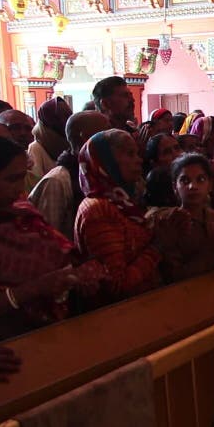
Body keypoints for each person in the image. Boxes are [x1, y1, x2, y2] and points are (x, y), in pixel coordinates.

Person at [0, 137, 105, 340]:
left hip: (50, 334)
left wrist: (78, 278)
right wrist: (33, 289)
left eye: (22, 177)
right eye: (11, 179)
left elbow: (63, 259)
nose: (19, 188)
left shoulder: (24, 214)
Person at [74, 130, 174, 303]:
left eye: (137, 153)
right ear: (106, 162)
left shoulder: (124, 202)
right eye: (130, 154)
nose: (139, 160)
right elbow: (117, 284)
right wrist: (158, 247)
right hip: (124, 316)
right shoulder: (98, 211)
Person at [147, 153, 214, 281]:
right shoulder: (170, 222)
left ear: (210, 186)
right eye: (185, 181)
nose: (193, 186)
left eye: (201, 180)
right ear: (175, 187)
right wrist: (212, 248)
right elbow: (173, 277)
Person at [28, 111, 110, 239]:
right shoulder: (57, 181)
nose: (113, 137)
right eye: (107, 133)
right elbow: (49, 238)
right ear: (86, 137)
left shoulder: (102, 173)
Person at [28, 97, 72, 179]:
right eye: (61, 115)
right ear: (49, 119)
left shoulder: (72, 140)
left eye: (69, 114)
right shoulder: (36, 147)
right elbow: (36, 180)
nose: (68, 119)